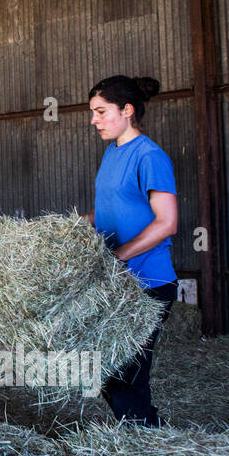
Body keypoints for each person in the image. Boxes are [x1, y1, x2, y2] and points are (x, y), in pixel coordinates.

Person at [83, 75, 178, 425]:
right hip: (117, 283)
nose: (94, 120)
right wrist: (77, 224)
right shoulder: (112, 153)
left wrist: (117, 256)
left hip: (147, 283)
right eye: (93, 112)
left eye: (101, 111)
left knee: (125, 370)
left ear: (127, 110)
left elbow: (166, 222)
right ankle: (147, 430)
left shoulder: (150, 156)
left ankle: (143, 440)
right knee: (106, 368)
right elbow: (115, 208)